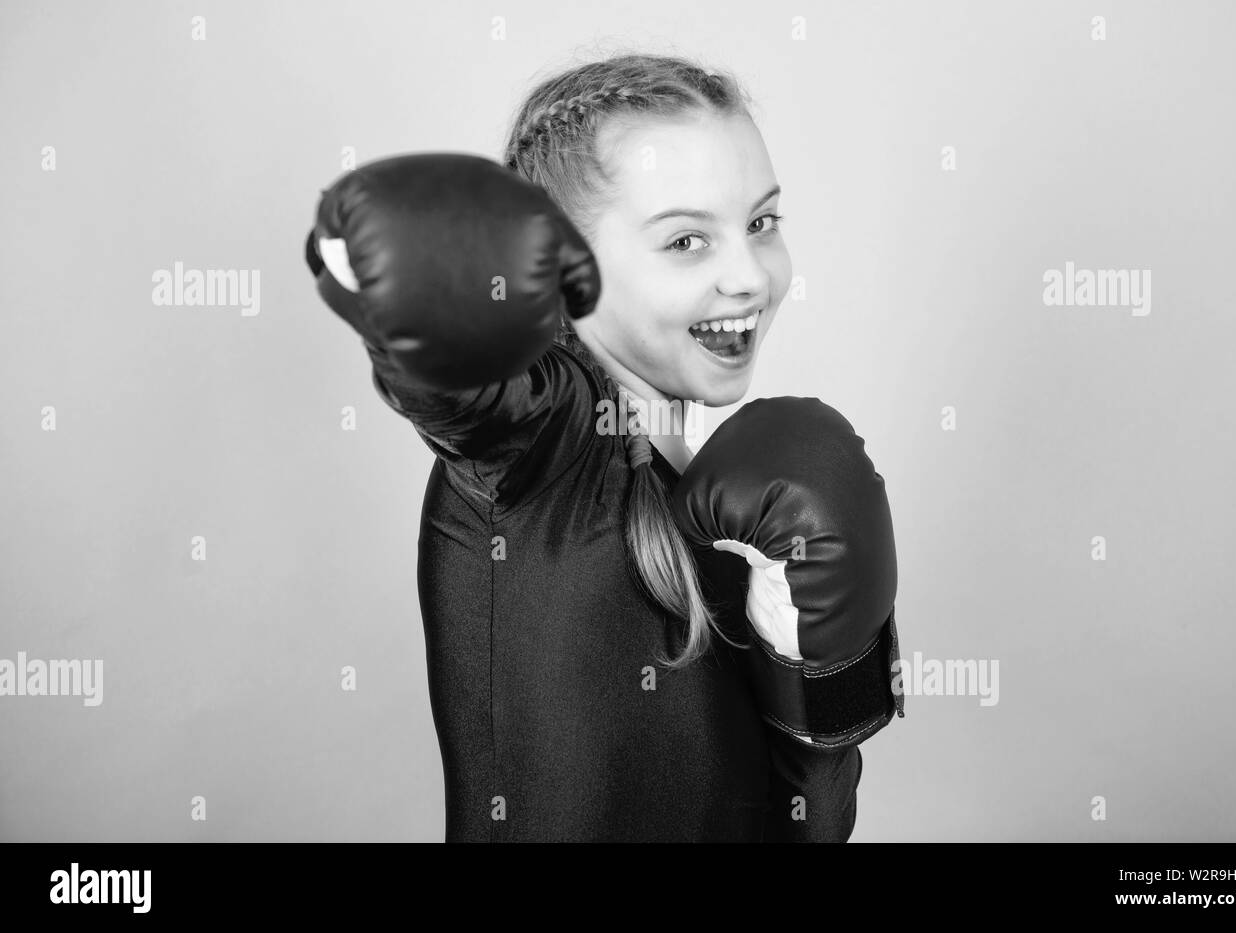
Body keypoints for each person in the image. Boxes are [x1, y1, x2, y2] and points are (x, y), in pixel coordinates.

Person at [304, 52, 900, 842]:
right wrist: (409, 266)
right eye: (687, 241)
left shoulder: (740, 505)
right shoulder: (539, 450)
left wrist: (816, 676)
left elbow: (807, 827)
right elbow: (463, 385)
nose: (750, 277)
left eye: (760, 224)